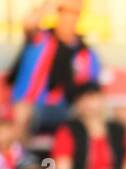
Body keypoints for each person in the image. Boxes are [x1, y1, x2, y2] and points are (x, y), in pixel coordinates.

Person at [6, 0, 101, 137]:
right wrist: (53, 3)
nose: (68, 20)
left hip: (66, 109)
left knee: (92, 110)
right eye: (64, 14)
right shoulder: (40, 39)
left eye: (73, 15)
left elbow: (92, 88)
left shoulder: (85, 53)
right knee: (22, 111)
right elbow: (29, 23)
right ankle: (18, 156)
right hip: (33, 107)